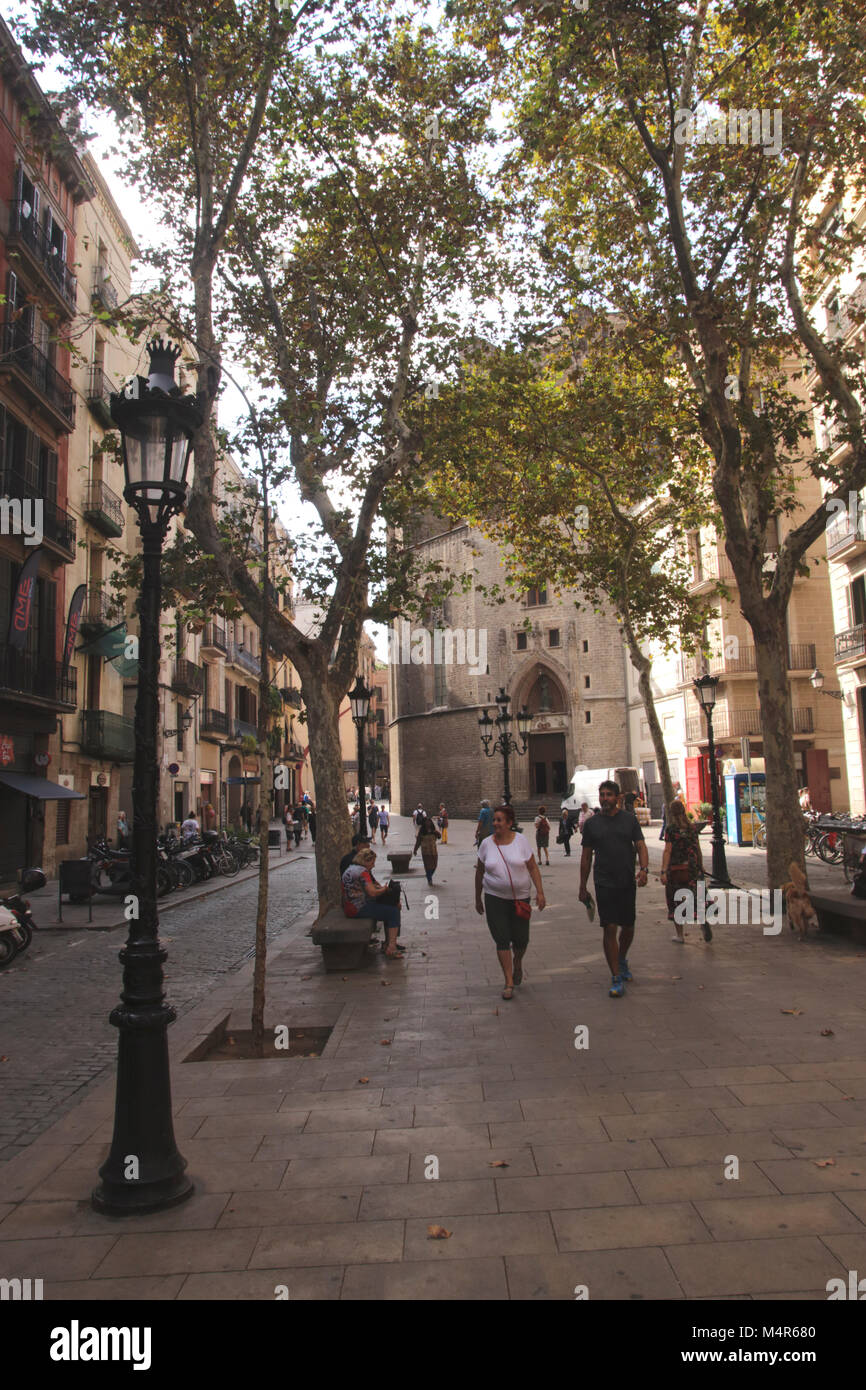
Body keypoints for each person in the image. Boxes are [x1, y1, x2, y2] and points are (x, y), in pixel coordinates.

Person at [579, 779, 649, 998]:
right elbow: (585, 856)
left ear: (617, 798)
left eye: (609, 794)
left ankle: (621, 957)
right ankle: (616, 976)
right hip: (604, 881)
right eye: (602, 794)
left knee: (627, 926)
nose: (605, 798)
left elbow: (640, 845)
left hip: (626, 880)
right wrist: (582, 885)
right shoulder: (591, 824)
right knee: (609, 927)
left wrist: (645, 869)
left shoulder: (629, 820)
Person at [475, 804, 545, 1000]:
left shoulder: (521, 841)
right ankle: (508, 980)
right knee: (502, 939)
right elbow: (479, 871)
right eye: (494, 820)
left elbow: (532, 867)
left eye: (499, 820)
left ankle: (518, 963)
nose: (495, 823)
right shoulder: (486, 844)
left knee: (522, 940)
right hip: (494, 898)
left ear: (509, 823)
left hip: (520, 898)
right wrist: (477, 897)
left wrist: (540, 892)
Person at [341, 846, 404, 958]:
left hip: (349, 906)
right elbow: (372, 893)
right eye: (372, 862)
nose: (373, 865)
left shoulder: (350, 869)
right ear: (366, 861)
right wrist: (384, 889)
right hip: (359, 908)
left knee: (388, 908)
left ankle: (388, 943)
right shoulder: (363, 872)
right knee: (393, 911)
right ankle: (391, 947)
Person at [661, 799, 707, 943]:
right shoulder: (692, 828)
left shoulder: (671, 829)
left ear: (671, 813)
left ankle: (680, 935)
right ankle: (703, 921)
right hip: (693, 867)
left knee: (676, 899)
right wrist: (701, 864)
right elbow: (697, 848)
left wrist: (663, 870)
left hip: (676, 870)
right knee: (698, 896)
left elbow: (668, 850)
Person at [414, 815, 441, 885]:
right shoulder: (422, 832)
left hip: (433, 850)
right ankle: (429, 879)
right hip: (425, 851)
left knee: (434, 865)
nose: (428, 824)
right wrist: (415, 850)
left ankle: (429, 875)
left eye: (429, 822)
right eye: (426, 822)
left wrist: (436, 832)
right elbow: (418, 842)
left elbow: (439, 837)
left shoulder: (434, 831)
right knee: (427, 866)